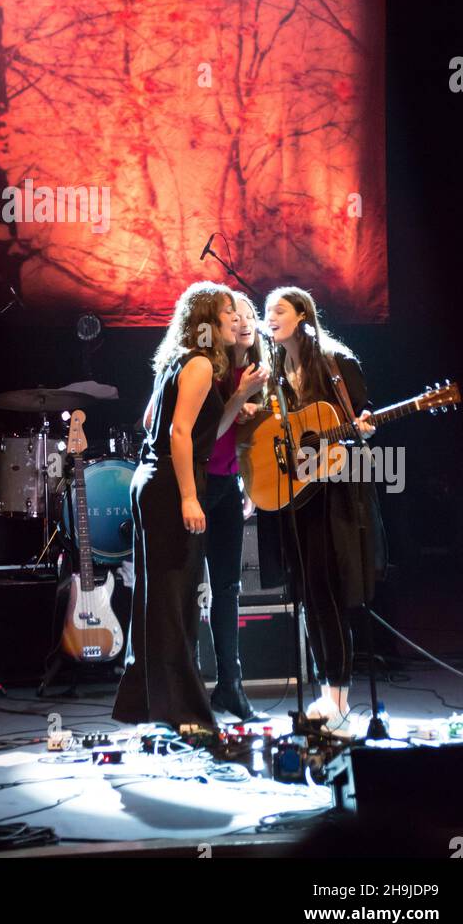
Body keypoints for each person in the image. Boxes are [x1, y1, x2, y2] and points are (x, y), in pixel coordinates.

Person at [112, 282, 238, 731]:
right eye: (228, 312)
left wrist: (238, 401)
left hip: (149, 479)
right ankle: (180, 711)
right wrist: (188, 494)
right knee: (174, 601)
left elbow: (151, 421)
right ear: (209, 320)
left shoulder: (175, 360)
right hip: (171, 484)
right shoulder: (201, 363)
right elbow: (179, 434)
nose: (236, 320)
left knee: (156, 598)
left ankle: (147, 705)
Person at [262, 286, 381, 737]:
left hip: (335, 491)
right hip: (296, 494)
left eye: (278, 311)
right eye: (267, 311)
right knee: (309, 593)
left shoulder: (335, 363)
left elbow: (358, 418)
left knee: (329, 591)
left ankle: (339, 696)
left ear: (302, 317)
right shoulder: (274, 367)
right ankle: (326, 693)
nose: (269, 318)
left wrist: (361, 428)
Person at [204, 293, 270, 720]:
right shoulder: (207, 369)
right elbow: (207, 433)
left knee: (229, 589)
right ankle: (187, 686)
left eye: (251, 315)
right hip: (196, 483)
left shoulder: (260, 371)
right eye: (236, 315)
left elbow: (252, 439)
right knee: (189, 590)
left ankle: (231, 686)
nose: (244, 322)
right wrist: (240, 395)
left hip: (228, 483)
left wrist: (246, 479)